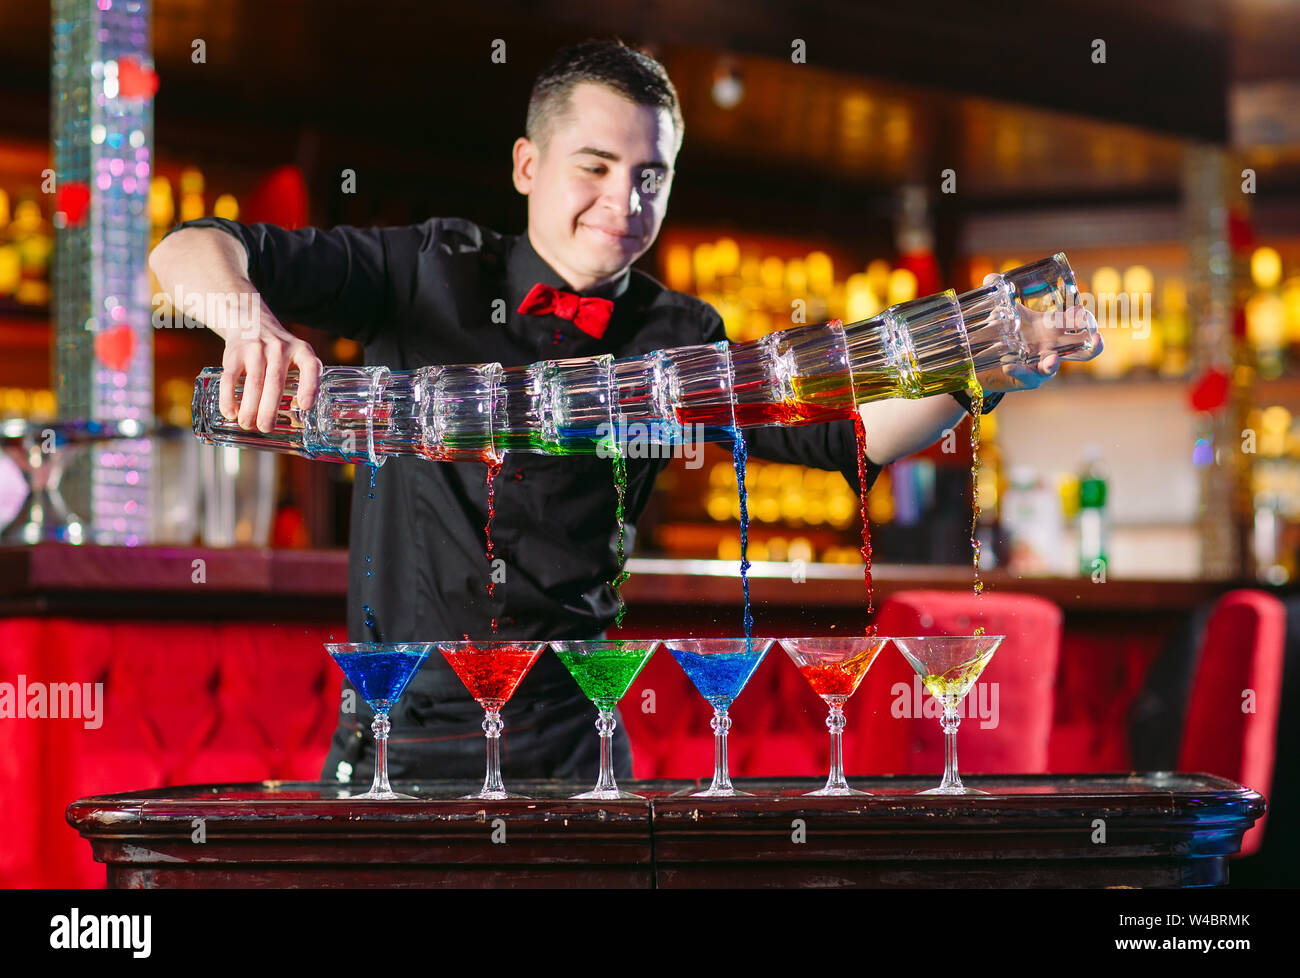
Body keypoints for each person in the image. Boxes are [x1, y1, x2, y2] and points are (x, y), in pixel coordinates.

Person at [149, 38, 1088, 788]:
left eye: (652, 176)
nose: (624, 201)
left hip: (574, 750)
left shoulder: (678, 332)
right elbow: (189, 248)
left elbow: (847, 432)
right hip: (396, 741)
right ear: (526, 164)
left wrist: (993, 367)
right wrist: (248, 325)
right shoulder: (421, 273)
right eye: (595, 166)